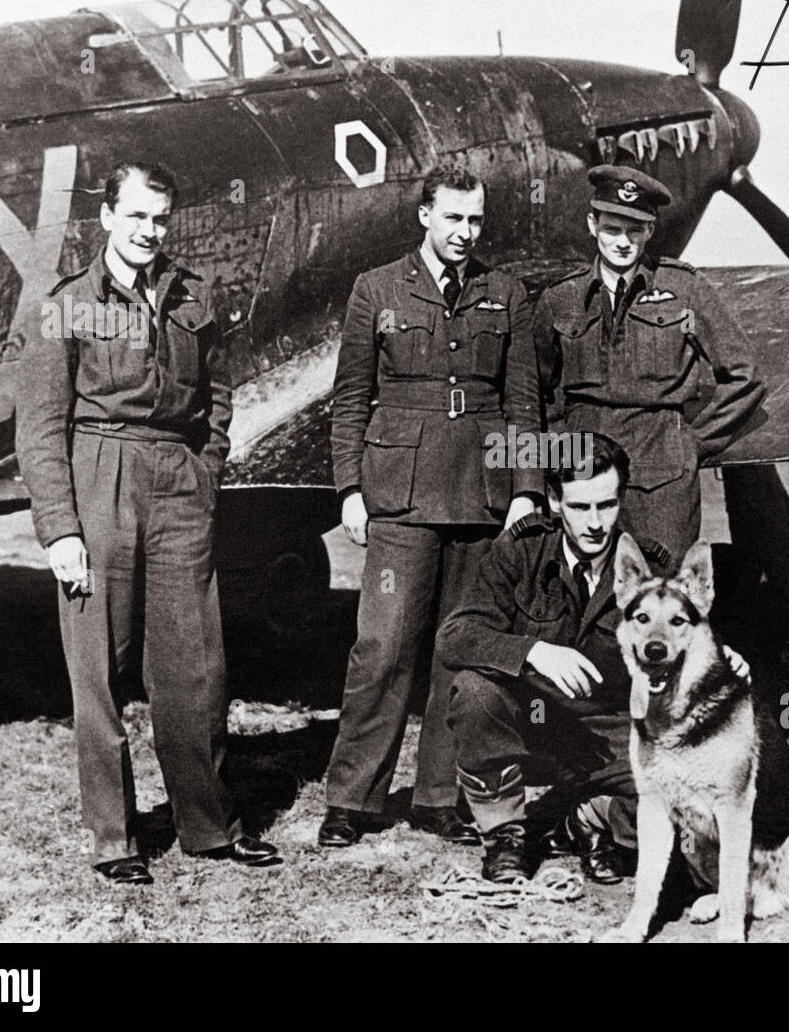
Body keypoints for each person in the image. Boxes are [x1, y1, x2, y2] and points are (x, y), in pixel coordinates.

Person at [15, 161, 278, 885]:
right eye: (135, 217)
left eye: (159, 219)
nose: (148, 232)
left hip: (178, 482)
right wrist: (61, 529)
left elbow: (219, 394)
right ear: (106, 218)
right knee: (99, 667)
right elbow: (39, 430)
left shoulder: (194, 295)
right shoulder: (66, 303)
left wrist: (207, 469)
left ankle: (209, 824)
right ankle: (114, 836)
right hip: (100, 474)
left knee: (195, 664)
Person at [322, 164, 544, 847]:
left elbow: (523, 403)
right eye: (453, 218)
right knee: (382, 647)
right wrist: (350, 489)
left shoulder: (505, 293)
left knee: (459, 649)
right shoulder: (377, 288)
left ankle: (439, 796)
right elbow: (352, 396)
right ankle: (351, 798)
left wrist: (527, 490)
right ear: (425, 215)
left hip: (481, 497)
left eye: (475, 221)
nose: (464, 233)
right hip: (402, 494)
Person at [436, 433, 667, 884]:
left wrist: (724, 662)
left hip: (606, 732)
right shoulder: (520, 552)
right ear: (554, 500)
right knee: (475, 693)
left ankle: (590, 817)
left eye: (608, 505)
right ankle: (505, 836)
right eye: (580, 508)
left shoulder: (647, 567)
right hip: (532, 723)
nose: (596, 523)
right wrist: (534, 651)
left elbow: (688, 641)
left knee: (682, 803)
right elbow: (454, 637)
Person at [534, 165, 765, 563]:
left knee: (658, 593)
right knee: (582, 593)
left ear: (651, 232)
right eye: (612, 229)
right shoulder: (561, 297)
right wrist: (560, 448)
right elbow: (536, 389)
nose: (623, 242)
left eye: (635, 230)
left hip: (661, 482)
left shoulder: (684, 289)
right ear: (592, 225)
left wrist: (692, 444)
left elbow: (745, 376)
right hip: (584, 474)